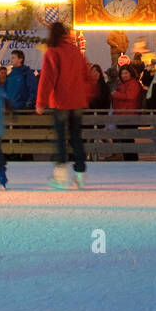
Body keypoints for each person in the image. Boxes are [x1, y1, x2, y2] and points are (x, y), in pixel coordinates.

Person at [36, 22, 93, 189]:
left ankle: (60, 177)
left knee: (61, 139)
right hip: (77, 103)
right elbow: (87, 75)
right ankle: (80, 176)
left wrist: (41, 102)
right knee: (76, 138)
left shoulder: (52, 52)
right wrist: (86, 95)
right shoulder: (76, 51)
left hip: (60, 102)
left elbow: (47, 78)